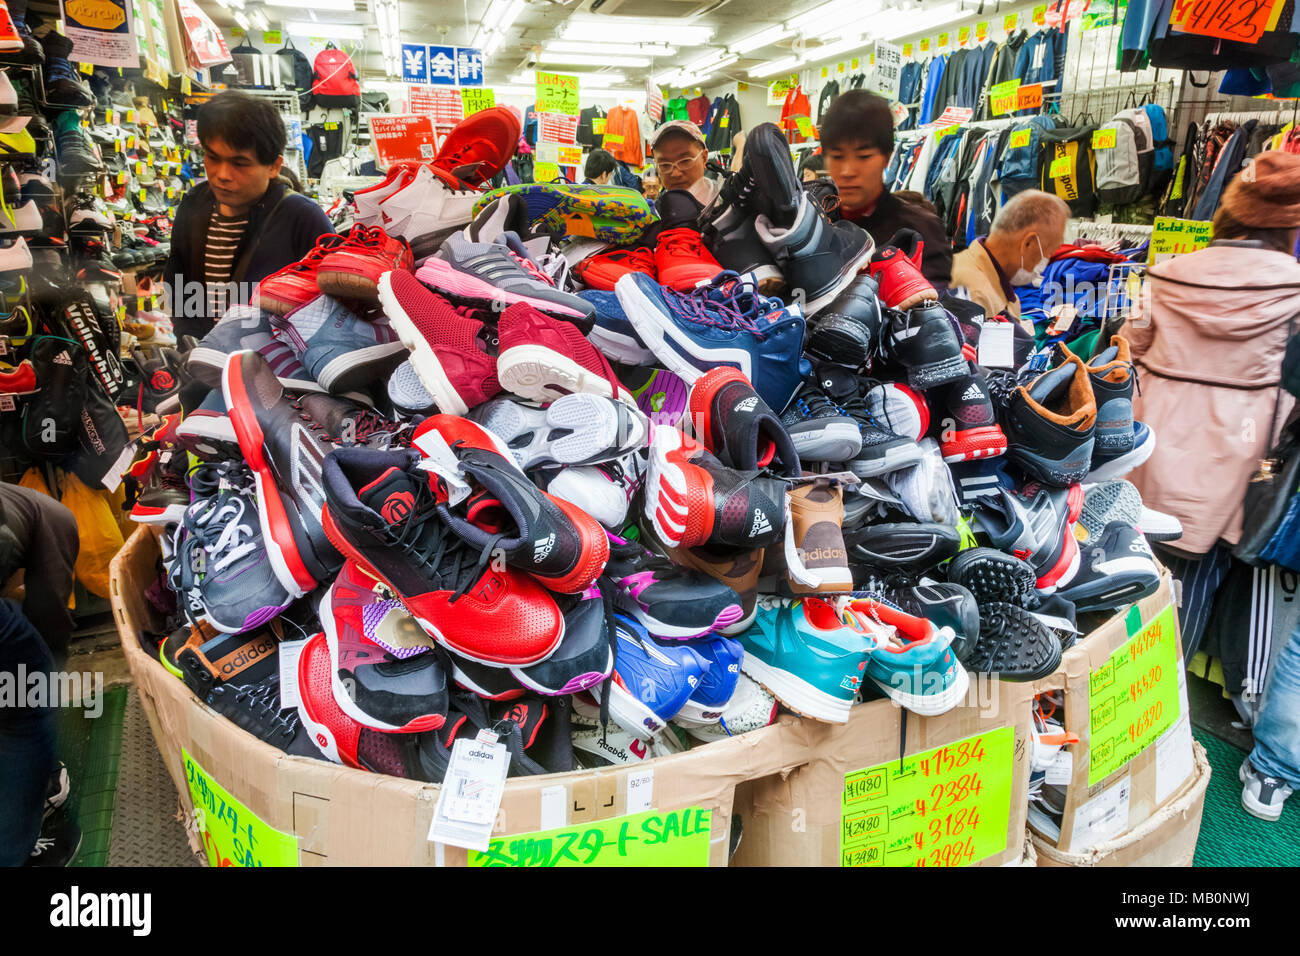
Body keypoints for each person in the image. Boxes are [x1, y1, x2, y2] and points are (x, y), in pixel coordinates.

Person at [1126, 151, 1300, 658]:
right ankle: (1166, 710)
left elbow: (1124, 352)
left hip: (1151, 449)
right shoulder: (1293, 291)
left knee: (1130, 570)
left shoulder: (1169, 274)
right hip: (1239, 458)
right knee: (1196, 585)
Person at [165, 91, 334, 342]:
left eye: (240, 163)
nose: (222, 174)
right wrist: (188, 338)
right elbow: (178, 279)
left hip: (275, 367)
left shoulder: (302, 217)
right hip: (202, 359)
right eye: (213, 157)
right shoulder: (194, 204)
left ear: (274, 166)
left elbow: (331, 311)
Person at [820, 90, 953, 287]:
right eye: (837, 157)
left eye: (863, 156)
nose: (848, 171)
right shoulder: (812, 230)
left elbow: (935, 309)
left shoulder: (923, 232)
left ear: (887, 157)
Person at [951, 190, 1069, 322]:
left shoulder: (998, 290)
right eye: (1049, 251)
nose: (1047, 259)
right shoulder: (973, 294)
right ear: (1028, 243)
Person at [649, 120, 718, 206]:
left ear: (704, 158)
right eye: (665, 165)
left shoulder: (726, 200)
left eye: (685, 161)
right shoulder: (656, 214)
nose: (675, 174)